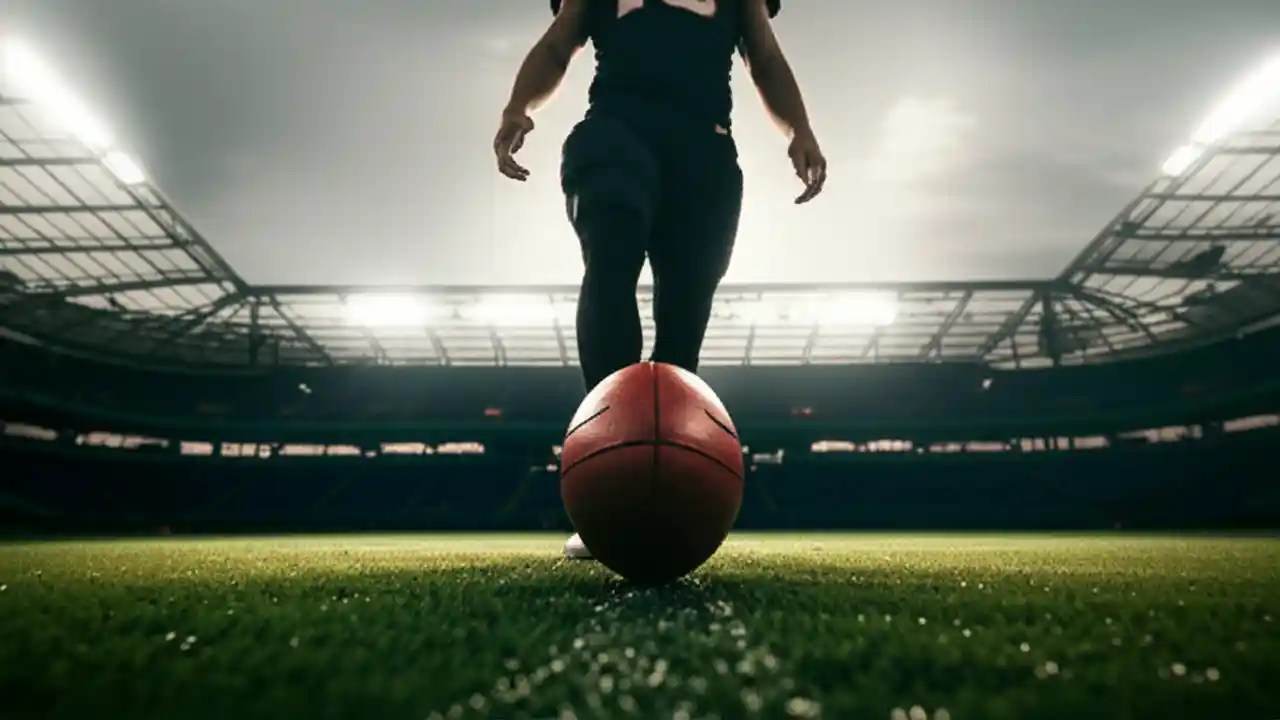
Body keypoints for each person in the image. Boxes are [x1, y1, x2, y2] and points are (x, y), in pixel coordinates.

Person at [493, 0, 826, 559]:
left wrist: (801, 129)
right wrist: (516, 107)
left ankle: (659, 485)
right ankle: (606, 478)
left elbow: (763, 56)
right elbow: (558, 43)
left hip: (704, 145)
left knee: (685, 312)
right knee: (611, 258)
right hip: (617, 126)